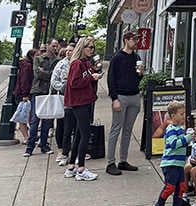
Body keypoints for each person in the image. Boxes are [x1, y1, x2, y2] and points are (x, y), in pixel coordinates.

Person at [63, 37, 102, 181]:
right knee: (85, 135)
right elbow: (74, 83)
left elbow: (87, 76)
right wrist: (92, 77)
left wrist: (95, 72)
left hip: (84, 100)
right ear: (82, 48)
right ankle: (81, 169)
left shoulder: (85, 63)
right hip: (79, 102)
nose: (91, 50)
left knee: (79, 134)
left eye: (93, 47)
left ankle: (72, 166)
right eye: (89, 47)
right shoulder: (77, 64)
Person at [105, 30, 143, 176]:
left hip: (134, 96)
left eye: (137, 39)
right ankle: (110, 162)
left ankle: (123, 160)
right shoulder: (117, 58)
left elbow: (138, 77)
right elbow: (111, 79)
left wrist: (140, 73)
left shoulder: (137, 57)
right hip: (121, 96)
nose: (136, 42)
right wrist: (114, 98)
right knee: (116, 128)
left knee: (128, 130)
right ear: (126, 40)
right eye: (133, 39)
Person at [152, 100, 189, 206]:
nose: (184, 116)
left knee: (181, 186)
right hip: (170, 164)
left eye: (184, 114)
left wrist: (190, 137)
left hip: (179, 164)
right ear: (173, 116)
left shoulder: (180, 129)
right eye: (181, 114)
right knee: (170, 187)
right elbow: (174, 144)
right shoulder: (171, 129)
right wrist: (187, 138)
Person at [24, 37, 60, 156]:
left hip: (50, 91)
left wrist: (45, 72)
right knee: (35, 119)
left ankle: (44, 145)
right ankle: (30, 147)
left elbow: (55, 76)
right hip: (38, 91)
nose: (55, 48)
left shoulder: (58, 60)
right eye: (53, 45)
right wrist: (47, 74)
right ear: (48, 45)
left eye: (56, 46)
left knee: (47, 120)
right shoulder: (38, 58)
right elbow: (37, 74)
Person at [50, 43, 75, 165]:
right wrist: (64, 87)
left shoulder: (79, 63)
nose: (69, 53)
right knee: (62, 125)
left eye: (71, 51)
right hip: (63, 98)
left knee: (75, 126)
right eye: (67, 51)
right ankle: (61, 150)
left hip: (76, 99)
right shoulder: (61, 64)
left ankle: (74, 150)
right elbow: (54, 81)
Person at [13, 49, 35, 143]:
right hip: (24, 94)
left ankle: (28, 137)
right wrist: (25, 94)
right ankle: (27, 138)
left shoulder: (25, 64)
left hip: (22, 93)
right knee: (24, 116)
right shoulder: (27, 65)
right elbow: (25, 80)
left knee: (26, 115)